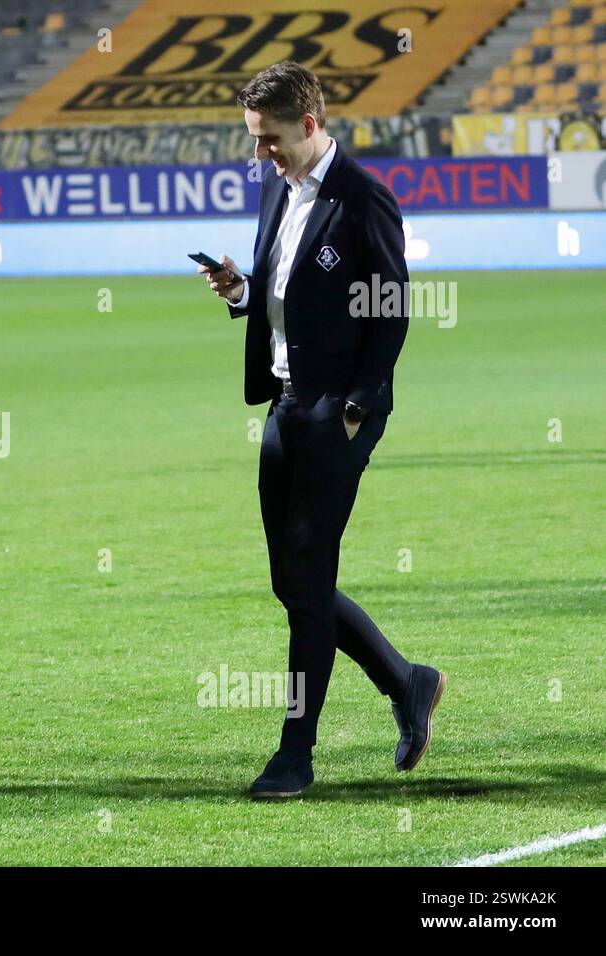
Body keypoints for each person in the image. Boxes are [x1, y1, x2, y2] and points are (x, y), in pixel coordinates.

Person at [198, 62, 444, 798]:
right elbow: (285, 287)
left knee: (307, 587)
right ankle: (407, 682)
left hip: (336, 412)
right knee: (293, 582)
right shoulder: (279, 186)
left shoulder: (364, 198)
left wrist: (356, 406)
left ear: (309, 125)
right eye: (253, 141)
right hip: (281, 404)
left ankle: (294, 754)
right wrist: (241, 292)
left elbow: (390, 307)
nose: (260, 155)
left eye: (269, 141)